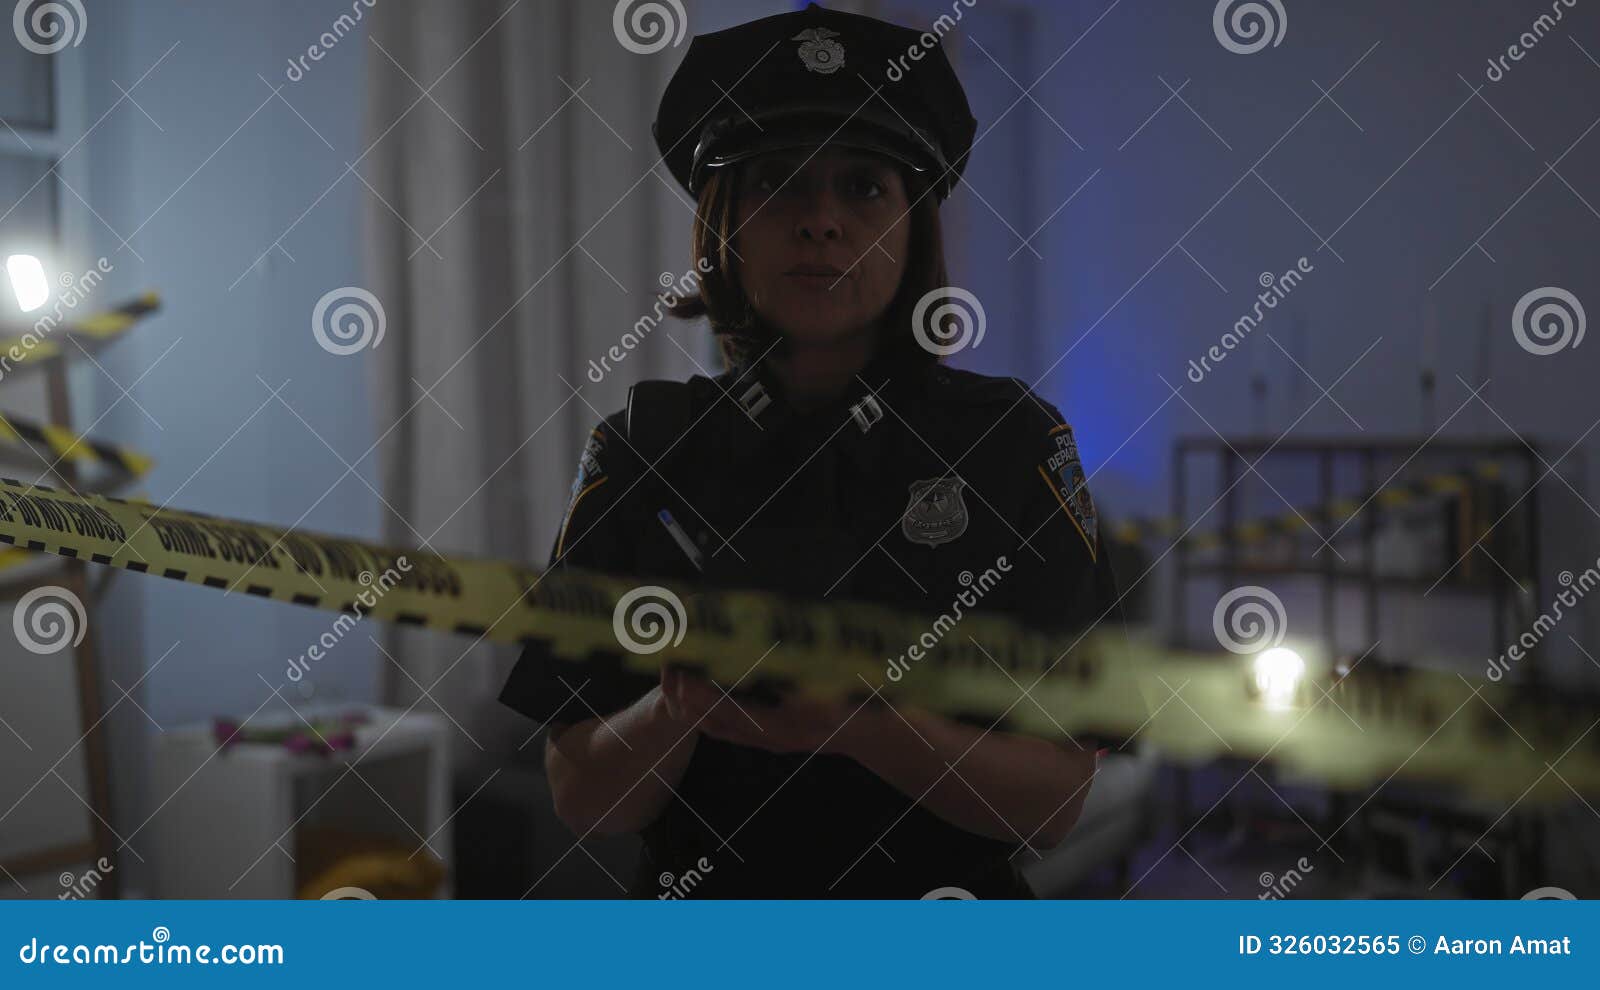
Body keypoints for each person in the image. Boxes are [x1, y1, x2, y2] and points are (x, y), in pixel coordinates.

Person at [499, 2, 1123, 899]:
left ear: (915, 223)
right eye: (778, 182)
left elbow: (1056, 801)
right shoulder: (643, 447)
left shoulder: (1014, 443)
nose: (820, 220)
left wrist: (861, 724)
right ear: (725, 223)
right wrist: (683, 706)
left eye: (863, 184)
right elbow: (582, 796)